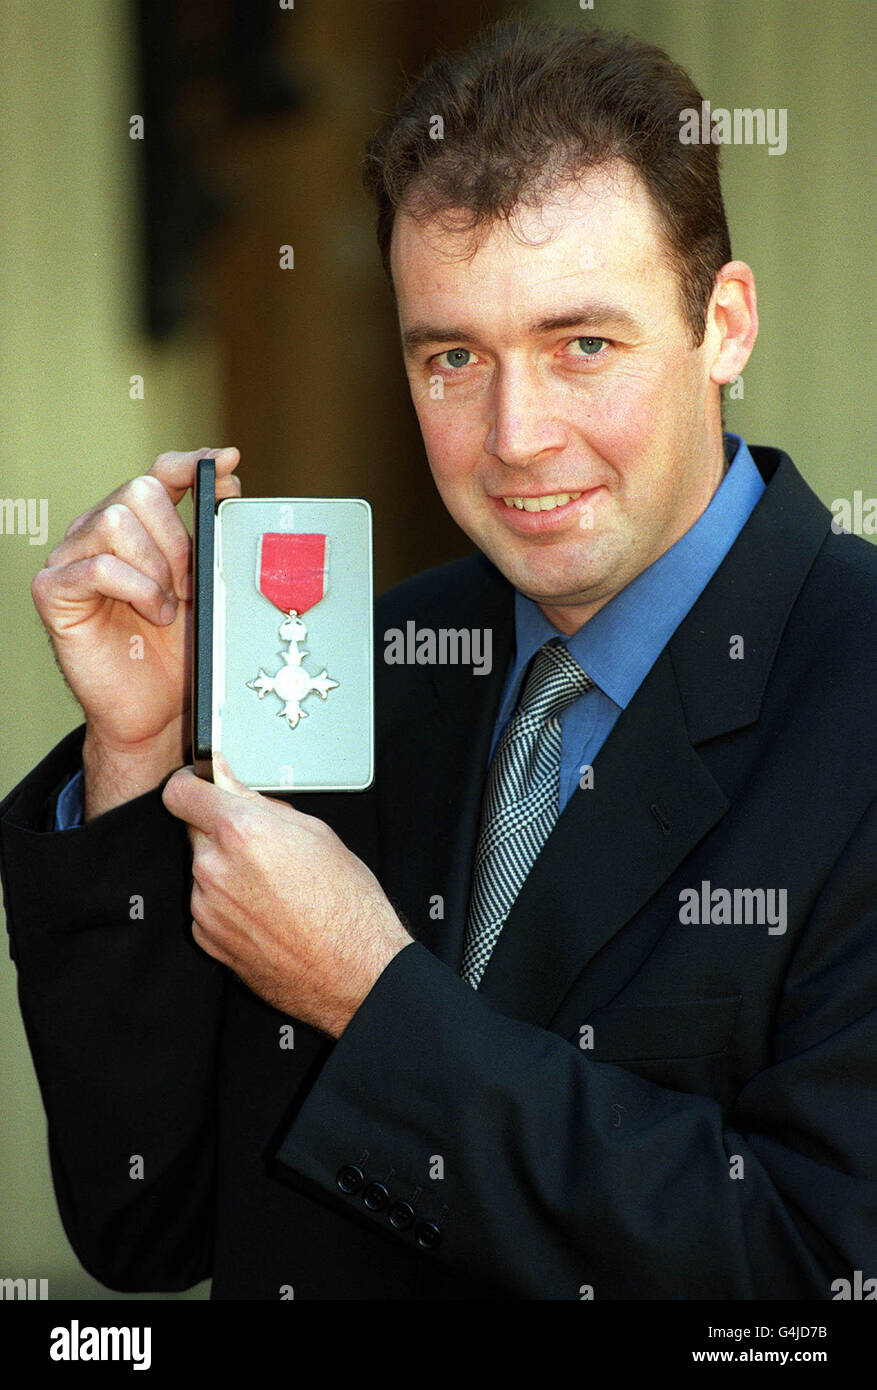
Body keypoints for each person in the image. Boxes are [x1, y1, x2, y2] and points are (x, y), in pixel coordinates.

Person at [1, 21, 875, 1301]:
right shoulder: (349, 667)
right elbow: (148, 1219)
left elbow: (810, 1272)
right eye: (453, 357)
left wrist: (372, 996)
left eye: (583, 345)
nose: (515, 436)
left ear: (723, 323)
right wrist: (135, 755)